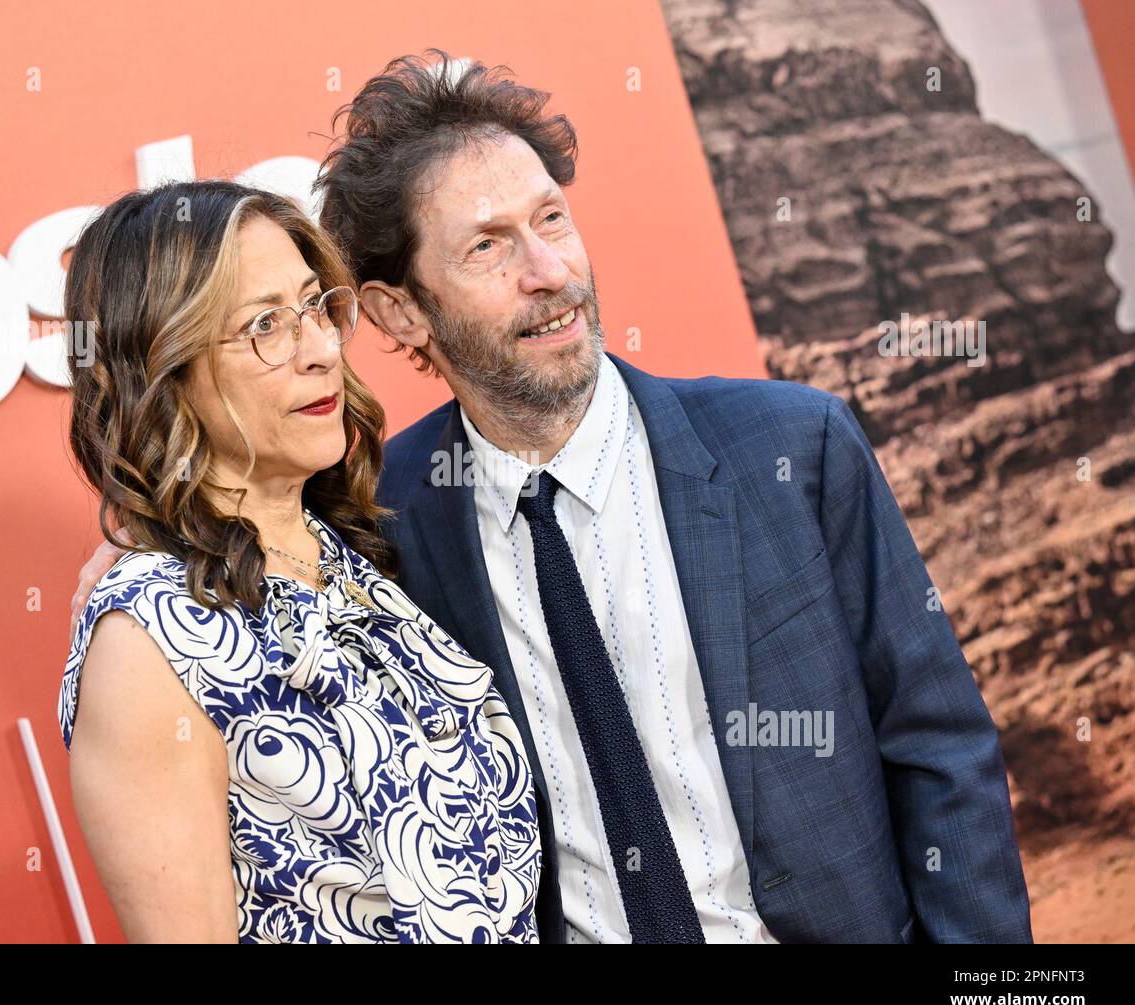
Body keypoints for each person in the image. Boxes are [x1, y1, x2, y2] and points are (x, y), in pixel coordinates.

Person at [72, 52, 1033, 944]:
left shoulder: (790, 447)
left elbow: (940, 748)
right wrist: (140, 584)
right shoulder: (395, 517)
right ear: (401, 310)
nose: (550, 275)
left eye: (551, 219)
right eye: (487, 247)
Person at [58, 179, 541, 943]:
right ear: (164, 365)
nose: (321, 350)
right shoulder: (148, 645)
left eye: (316, 307)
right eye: (266, 326)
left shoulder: (355, 551)